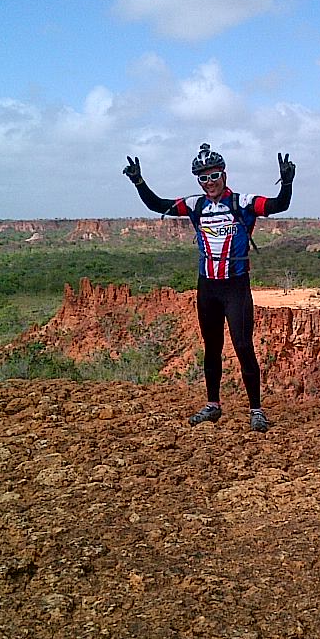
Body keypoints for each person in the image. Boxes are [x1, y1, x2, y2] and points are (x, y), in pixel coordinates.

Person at [123, 143, 295, 432]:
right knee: (211, 347)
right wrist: (139, 182)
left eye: (214, 175)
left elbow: (280, 205)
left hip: (236, 286)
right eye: (203, 178)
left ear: (224, 175)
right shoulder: (196, 205)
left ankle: (256, 410)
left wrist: (287, 182)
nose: (209, 182)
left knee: (242, 346)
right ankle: (213, 405)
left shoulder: (243, 202)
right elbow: (158, 204)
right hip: (208, 287)